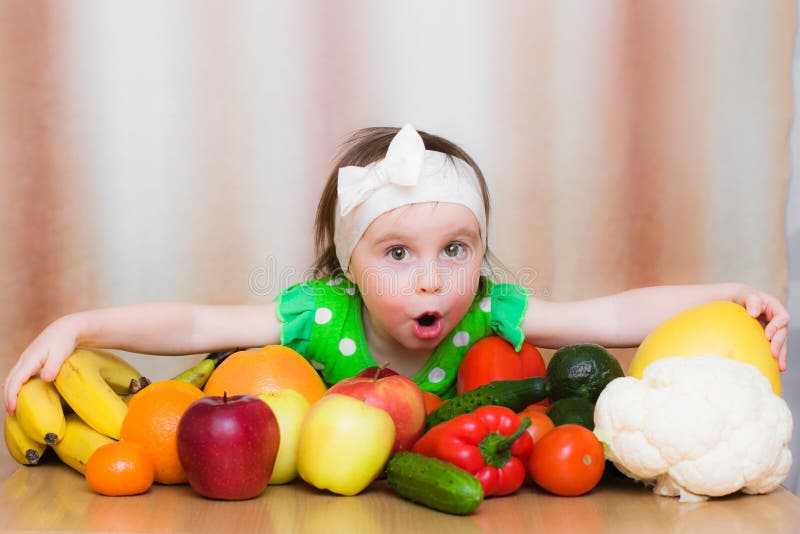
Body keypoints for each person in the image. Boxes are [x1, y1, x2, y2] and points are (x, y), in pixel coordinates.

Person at [3, 125, 791, 411]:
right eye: (397, 254)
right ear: (349, 265)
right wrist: (78, 325)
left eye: (456, 250)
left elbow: (612, 317)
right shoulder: (320, 314)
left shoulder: (494, 311)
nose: (432, 281)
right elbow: (197, 324)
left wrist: (728, 296)